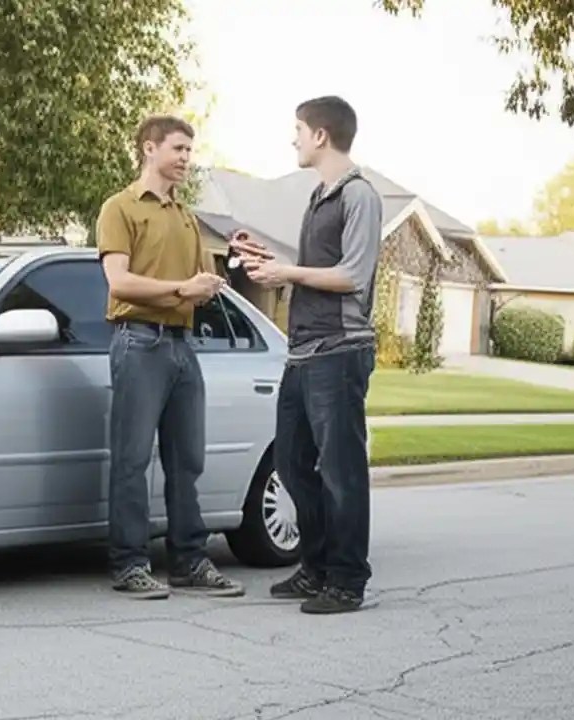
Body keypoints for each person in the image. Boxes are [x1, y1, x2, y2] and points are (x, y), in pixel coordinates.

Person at [230, 95, 381, 614]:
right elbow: (316, 268)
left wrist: (287, 274)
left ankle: (346, 579)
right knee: (293, 464)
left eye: (297, 129)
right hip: (304, 352)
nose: (292, 138)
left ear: (321, 135)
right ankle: (315, 567)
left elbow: (352, 276)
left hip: (340, 352)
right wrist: (269, 260)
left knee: (341, 471)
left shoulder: (359, 196)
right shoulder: (319, 196)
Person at [96, 114, 244, 599]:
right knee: (132, 459)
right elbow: (119, 281)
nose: (185, 158)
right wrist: (182, 288)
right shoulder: (120, 208)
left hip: (183, 346)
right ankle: (130, 564)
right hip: (139, 342)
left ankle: (189, 561)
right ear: (148, 149)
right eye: (177, 149)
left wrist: (225, 270)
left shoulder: (186, 217)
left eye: (189, 150)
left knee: (187, 461)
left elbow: (202, 284)